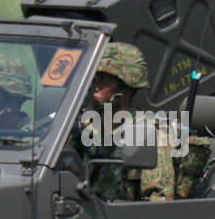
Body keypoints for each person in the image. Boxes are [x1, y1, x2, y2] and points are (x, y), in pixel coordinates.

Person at [75, 43, 181, 201]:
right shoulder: (86, 127)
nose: (95, 87)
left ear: (126, 87)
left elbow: (159, 202)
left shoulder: (148, 134)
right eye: (93, 79)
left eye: (103, 80)